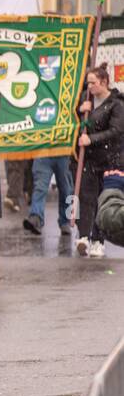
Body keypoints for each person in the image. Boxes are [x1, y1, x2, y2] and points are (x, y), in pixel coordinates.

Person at [74, 64, 124, 258]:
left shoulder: (117, 104)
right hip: (89, 160)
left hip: (111, 161)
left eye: (92, 83)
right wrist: (80, 111)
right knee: (84, 198)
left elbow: (116, 131)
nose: (89, 87)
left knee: (103, 200)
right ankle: (84, 235)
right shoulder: (87, 100)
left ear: (104, 82)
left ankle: (98, 240)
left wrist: (91, 139)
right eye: (88, 83)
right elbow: (80, 124)